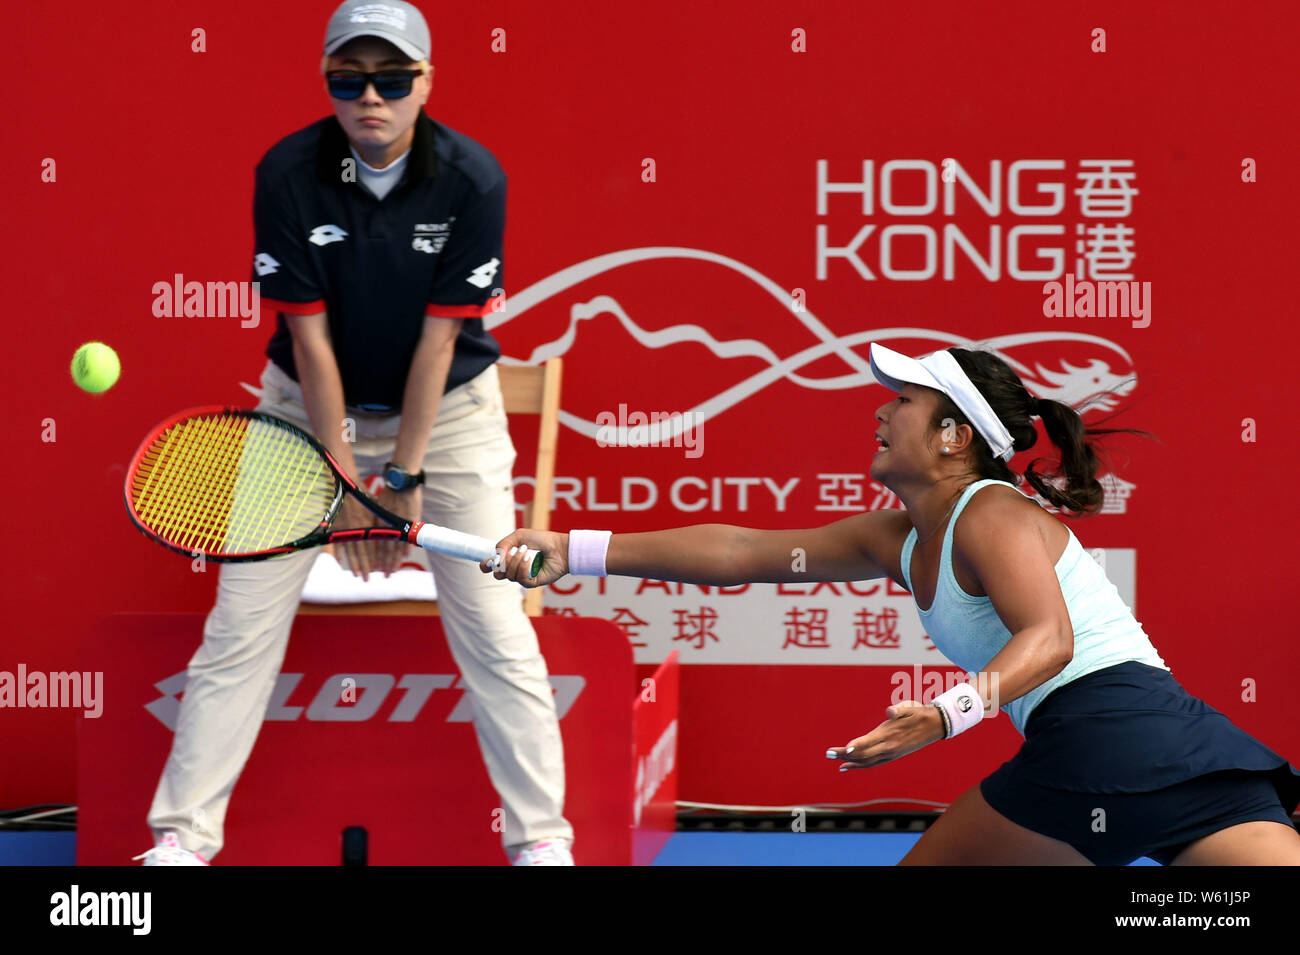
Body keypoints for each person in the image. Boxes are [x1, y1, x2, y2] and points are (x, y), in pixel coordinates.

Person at [486, 342, 1300, 865]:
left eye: (904, 400)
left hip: (1103, 730)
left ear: (953, 437)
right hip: (1181, 743)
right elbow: (743, 552)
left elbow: (1048, 638)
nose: (881, 409)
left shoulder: (991, 512)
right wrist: (577, 548)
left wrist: (948, 711)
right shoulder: (899, 534)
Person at [135, 0, 574, 866]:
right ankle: (181, 841)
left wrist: (398, 480)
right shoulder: (288, 173)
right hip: (304, 408)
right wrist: (338, 481)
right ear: (330, 84)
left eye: (392, 78)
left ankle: (541, 845)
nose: (370, 97)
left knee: (495, 625)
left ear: (426, 84)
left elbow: (438, 341)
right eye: (349, 78)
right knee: (240, 624)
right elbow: (311, 338)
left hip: (447, 414)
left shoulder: (473, 180)